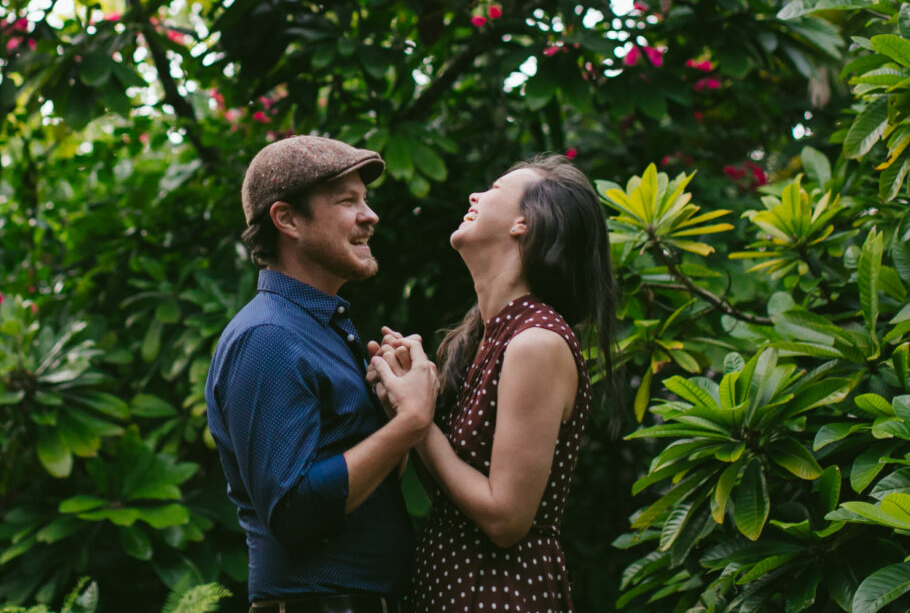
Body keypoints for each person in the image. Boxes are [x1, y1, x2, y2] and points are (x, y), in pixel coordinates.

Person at [369, 154, 617, 613]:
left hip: (500, 593)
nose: (474, 195)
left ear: (525, 222)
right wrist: (404, 398)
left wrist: (417, 418)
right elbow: (451, 493)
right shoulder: (484, 338)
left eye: (496, 188)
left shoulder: (536, 342)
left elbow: (505, 517)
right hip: (452, 586)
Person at [206, 135, 440, 613]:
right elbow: (293, 512)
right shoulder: (268, 335)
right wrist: (409, 422)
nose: (369, 215)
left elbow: (359, 488)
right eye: (346, 201)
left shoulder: (321, 326)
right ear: (287, 219)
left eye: (366, 200)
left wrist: (390, 408)